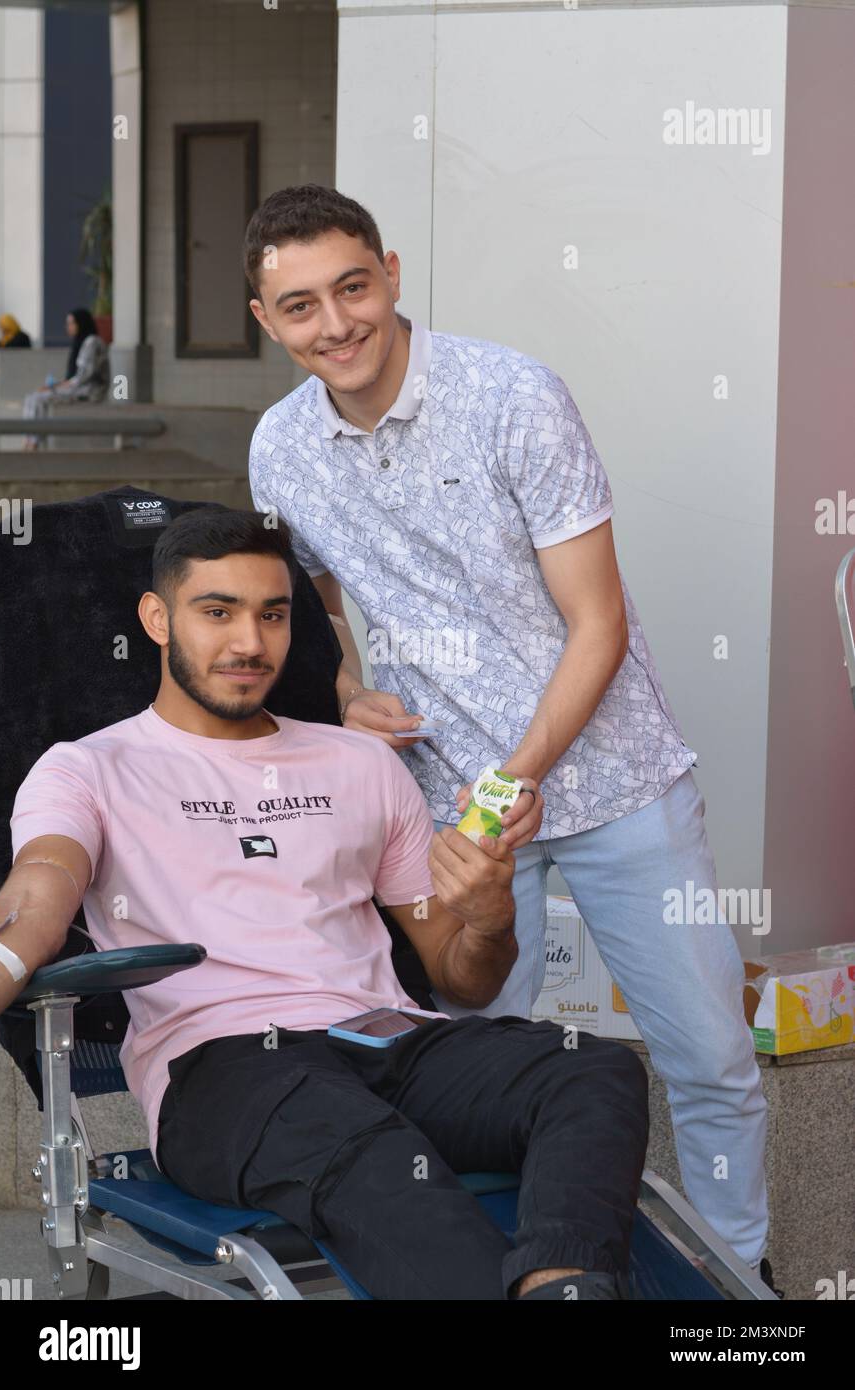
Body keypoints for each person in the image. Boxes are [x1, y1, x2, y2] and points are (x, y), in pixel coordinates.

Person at [243, 184, 776, 1290]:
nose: (334, 323)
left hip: (611, 775)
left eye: (351, 287)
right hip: (440, 802)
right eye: (299, 306)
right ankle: (524, 1275)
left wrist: (516, 775)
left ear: (389, 271)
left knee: (708, 1054)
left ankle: (737, 1278)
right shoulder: (278, 451)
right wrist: (346, 692)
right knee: (484, 1064)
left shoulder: (511, 395)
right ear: (265, 319)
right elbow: (333, 610)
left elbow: (599, 622)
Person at [0, 508, 649, 1301]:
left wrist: (488, 916)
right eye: (217, 611)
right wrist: (7, 954)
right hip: (222, 1069)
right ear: (156, 619)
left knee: (593, 1070)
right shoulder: (89, 769)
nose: (249, 643)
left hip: (390, 1040)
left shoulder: (358, 763)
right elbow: (37, 892)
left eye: (272, 615)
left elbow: (461, 979)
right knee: (365, 1152)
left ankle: (561, 1285)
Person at [21, 307, 109, 450]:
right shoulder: (81, 342)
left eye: (71, 323)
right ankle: (29, 440)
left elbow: (84, 377)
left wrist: (55, 387)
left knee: (38, 398)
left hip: (90, 391)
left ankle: (33, 442)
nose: (68, 327)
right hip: (80, 387)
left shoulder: (92, 342)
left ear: (81, 323)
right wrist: (56, 386)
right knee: (32, 397)